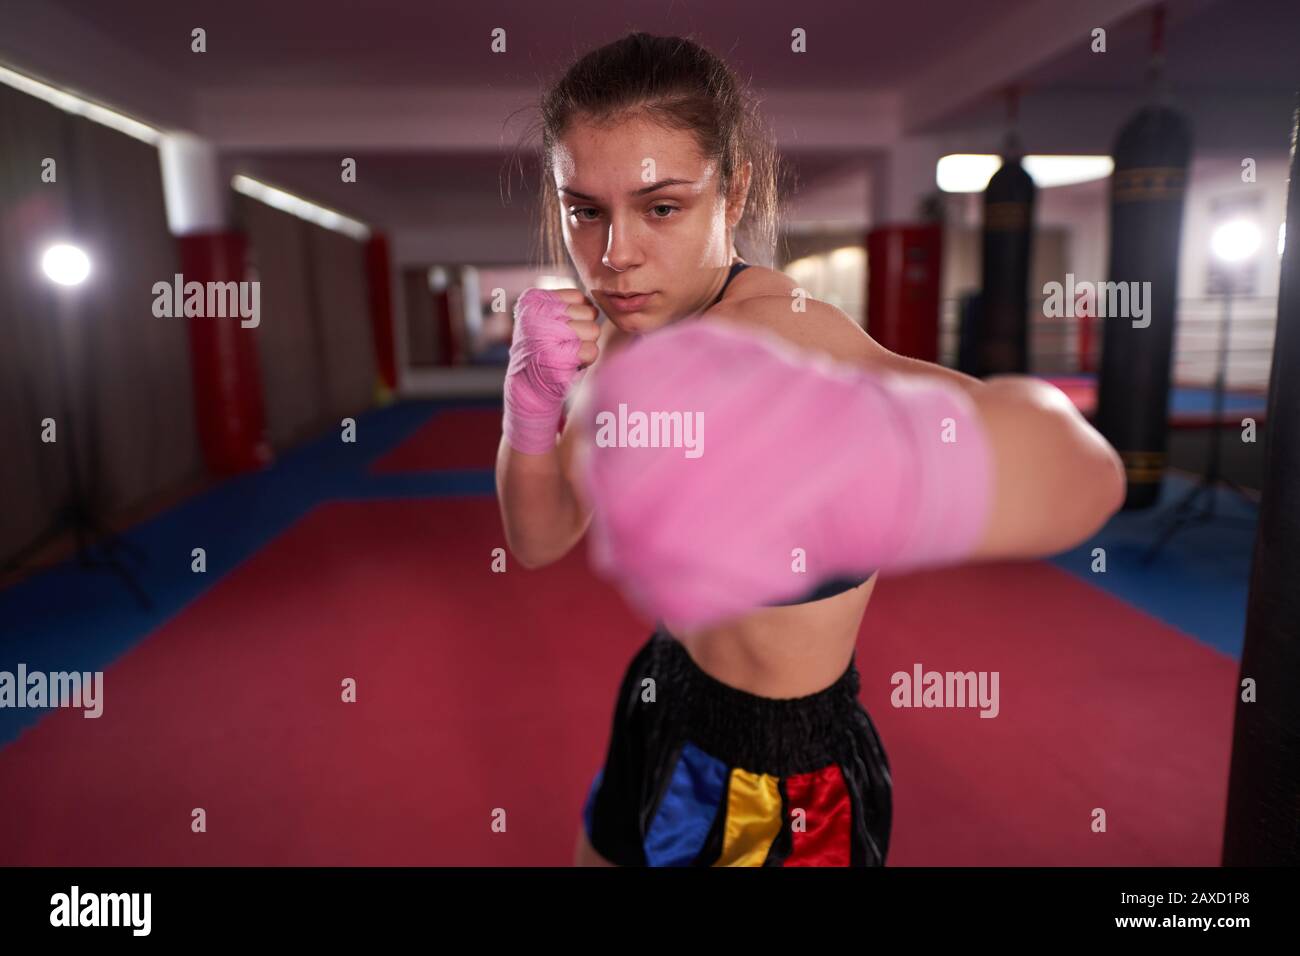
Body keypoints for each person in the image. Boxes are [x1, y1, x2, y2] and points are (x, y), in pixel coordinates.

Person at [494, 33, 1125, 866]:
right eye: (587, 210)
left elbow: (1086, 473)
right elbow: (538, 541)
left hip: (777, 782)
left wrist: (880, 465)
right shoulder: (624, 334)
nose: (615, 258)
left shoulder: (790, 337)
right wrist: (530, 411)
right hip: (660, 693)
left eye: (662, 207)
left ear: (737, 188)